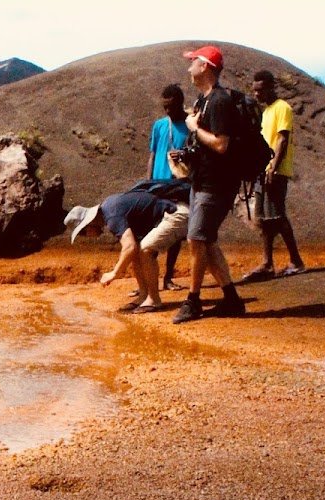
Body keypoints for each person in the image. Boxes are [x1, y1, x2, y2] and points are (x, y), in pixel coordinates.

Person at [172, 45, 246, 324]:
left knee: (197, 239)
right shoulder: (204, 100)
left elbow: (221, 144)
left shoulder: (219, 102)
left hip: (216, 184)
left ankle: (193, 301)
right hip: (202, 181)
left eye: (193, 62)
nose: (189, 67)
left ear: (205, 66)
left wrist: (194, 128)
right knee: (208, 240)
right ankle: (231, 299)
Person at [66, 188, 189, 314]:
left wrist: (114, 273)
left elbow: (129, 246)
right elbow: (132, 248)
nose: (85, 236)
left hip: (176, 214)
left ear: (89, 223)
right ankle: (143, 295)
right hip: (171, 213)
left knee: (145, 249)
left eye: (83, 232)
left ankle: (154, 300)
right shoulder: (108, 210)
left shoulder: (111, 216)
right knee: (137, 253)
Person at [240, 70, 307, 283]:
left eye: (260, 90)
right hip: (262, 170)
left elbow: (282, 139)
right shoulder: (266, 111)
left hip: (275, 171)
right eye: (254, 90)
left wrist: (273, 167)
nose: (256, 94)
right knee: (264, 218)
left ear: (271, 87)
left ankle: (296, 261)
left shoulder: (282, 108)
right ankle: (267, 263)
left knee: (277, 216)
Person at [145, 83, 190, 292]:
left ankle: (168, 277)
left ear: (181, 103)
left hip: (179, 185)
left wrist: (183, 155)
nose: (168, 111)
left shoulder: (190, 126)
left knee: (175, 232)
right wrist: (148, 183)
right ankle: (149, 279)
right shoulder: (159, 125)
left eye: (171, 106)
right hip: (157, 185)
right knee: (152, 230)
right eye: (165, 107)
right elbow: (152, 154)